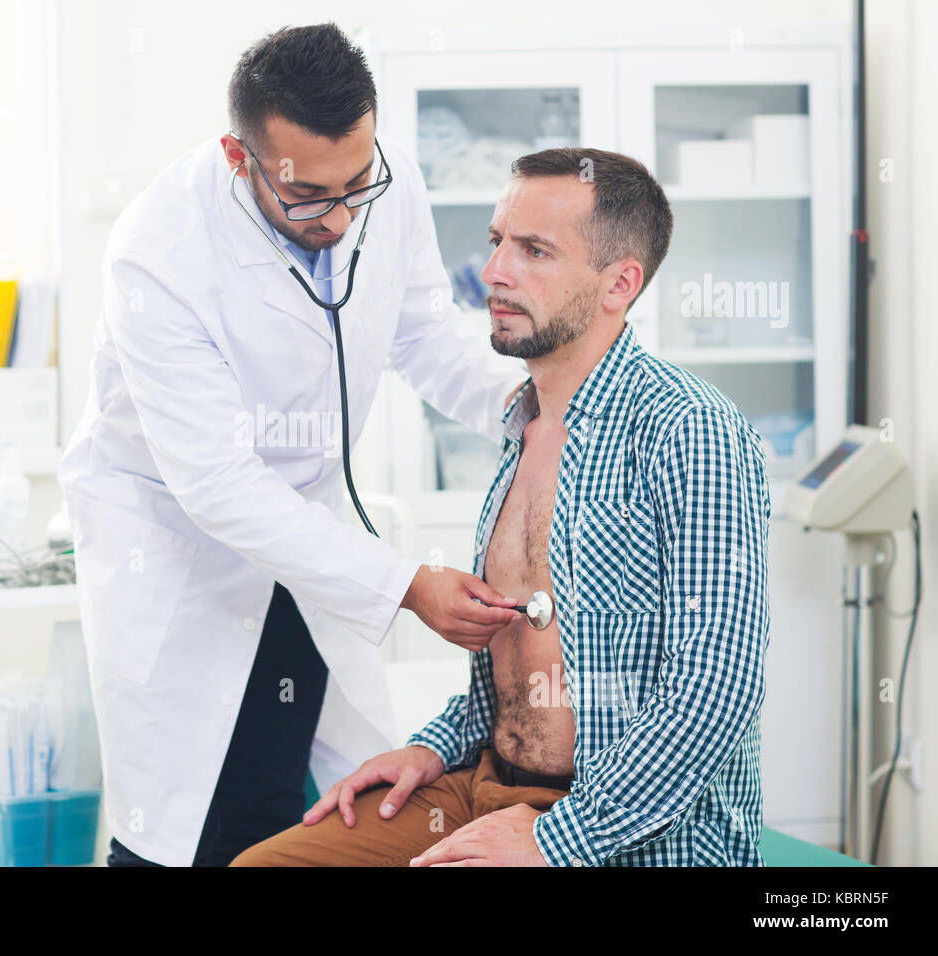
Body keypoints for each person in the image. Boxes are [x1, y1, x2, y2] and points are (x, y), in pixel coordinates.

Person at [58, 23, 528, 867]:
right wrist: (407, 585)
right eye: (311, 196)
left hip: (306, 528)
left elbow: (426, 336)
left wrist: (539, 405)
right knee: (192, 818)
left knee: (308, 795)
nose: (344, 215)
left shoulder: (385, 185)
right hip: (180, 545)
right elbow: (218, 485)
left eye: (358, 182)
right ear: (244, 162)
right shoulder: (157, 253)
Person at [231, 147, 772, 867]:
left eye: (534, 251)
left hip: (616, 826)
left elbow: (717, 688)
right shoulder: (523, 425)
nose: (494, 273)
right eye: (496, 243)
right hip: (489, 783)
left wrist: (556, 840)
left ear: (619, 284)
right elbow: (517, 678)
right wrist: (431, 747)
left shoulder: (689, 430)